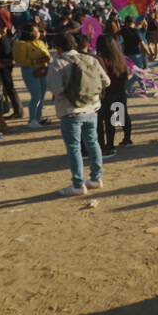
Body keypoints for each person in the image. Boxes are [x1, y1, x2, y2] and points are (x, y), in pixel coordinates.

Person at [46, 33, 111, 197]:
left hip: (71, 111)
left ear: (58, 48)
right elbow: (106, 82)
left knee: (74, 148)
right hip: (92, 107)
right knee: (93, 142)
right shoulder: (91, 59)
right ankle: (96, 178)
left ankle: (78, 184)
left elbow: (56, 89)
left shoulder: (57, 63)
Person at [95, 34, 131, 154]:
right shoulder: (120, 58)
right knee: (121, 116)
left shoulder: (101, 59)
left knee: (106, 120)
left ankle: (108, 145)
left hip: (107, 93)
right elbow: (126, 75)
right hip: (120, 91)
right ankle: (126, 139)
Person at [13, 25, 51, 128]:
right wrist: (37, 61)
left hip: (43, 70)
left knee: (42, 95)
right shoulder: (21, 44)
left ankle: (38, 118)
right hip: (30, 71)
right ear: (30, 33)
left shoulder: (40, 42)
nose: (39, 32)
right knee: (36, 95)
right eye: (36, 31)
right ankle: (32, 120)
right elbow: (20, 60)